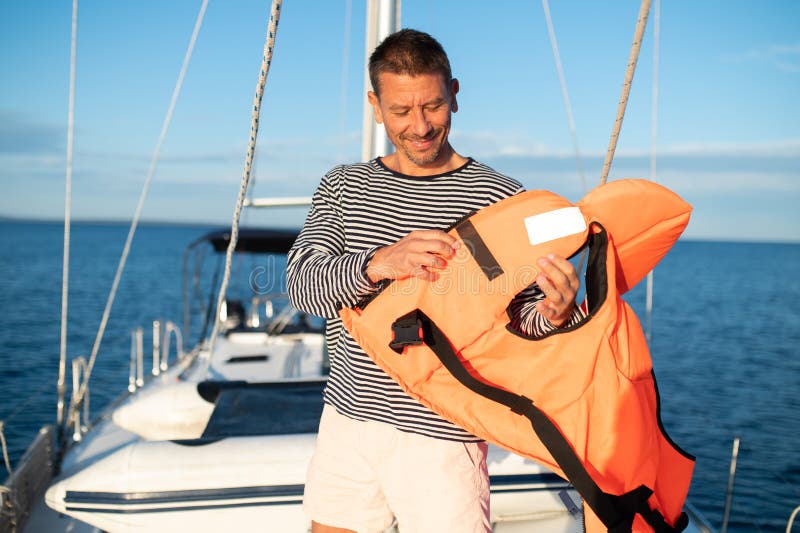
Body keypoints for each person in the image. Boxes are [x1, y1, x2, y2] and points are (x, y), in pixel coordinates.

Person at [286, 29, 583, 533]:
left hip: (446, 437)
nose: (420, 126)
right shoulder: (345, 187)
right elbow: (300, 284)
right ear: (375, 107)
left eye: (433, 106)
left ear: (455, 94)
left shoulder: (498, 198)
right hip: (349, 422)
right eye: (401, 111)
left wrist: (554, 312)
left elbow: (519, 320)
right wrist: (379, 262)